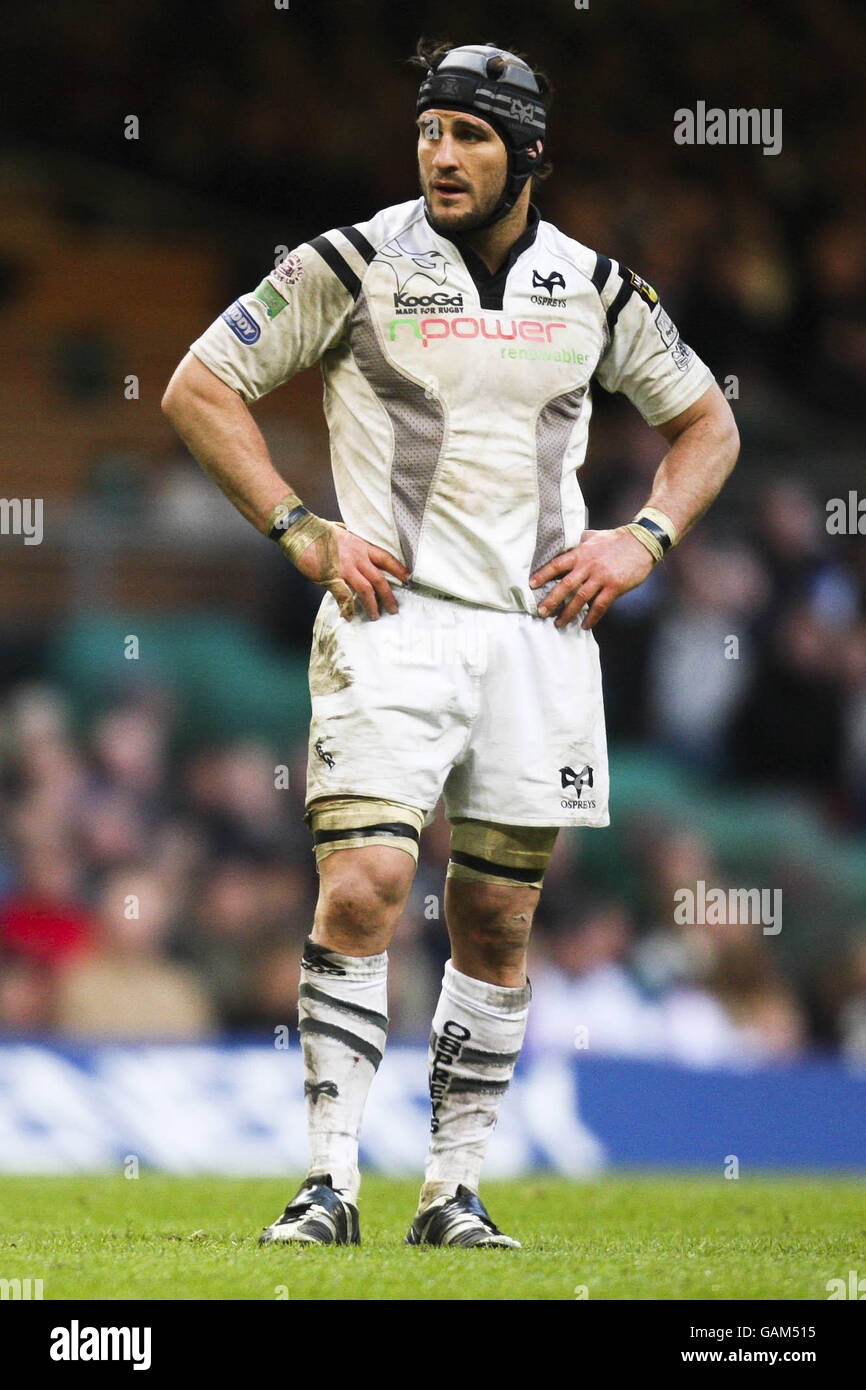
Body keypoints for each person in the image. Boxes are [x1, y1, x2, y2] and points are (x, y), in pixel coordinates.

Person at [162, 38, 739, 1248]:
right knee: (365, 881)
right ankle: (327, 1182)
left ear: (528, 150)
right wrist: (297, 527)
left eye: (469, 133)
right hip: (390, 622)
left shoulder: (595, 286)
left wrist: (642, 539)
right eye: (429, 129)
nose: (440, 153)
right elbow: (199, 386)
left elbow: (704, 421)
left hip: (536, 635)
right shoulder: (355, 261)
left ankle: (451, 1191)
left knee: (495, 917)